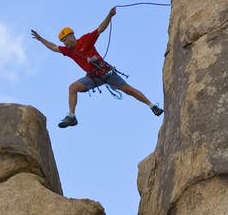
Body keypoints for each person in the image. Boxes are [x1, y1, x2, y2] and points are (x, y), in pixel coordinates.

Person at [31, 7, 164, 128]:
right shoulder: (68, 50)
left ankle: (152, 106)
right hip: (93, 77)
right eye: (63, 41)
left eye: (65, 40)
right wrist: (41, 39)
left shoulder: (85, 39)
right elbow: (54, 47)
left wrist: (109, 16)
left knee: (129, 90)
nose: (64, 43)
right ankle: (71, 117)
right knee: (72, 88)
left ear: (71, 36)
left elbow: (100, 28)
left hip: (106, 72)